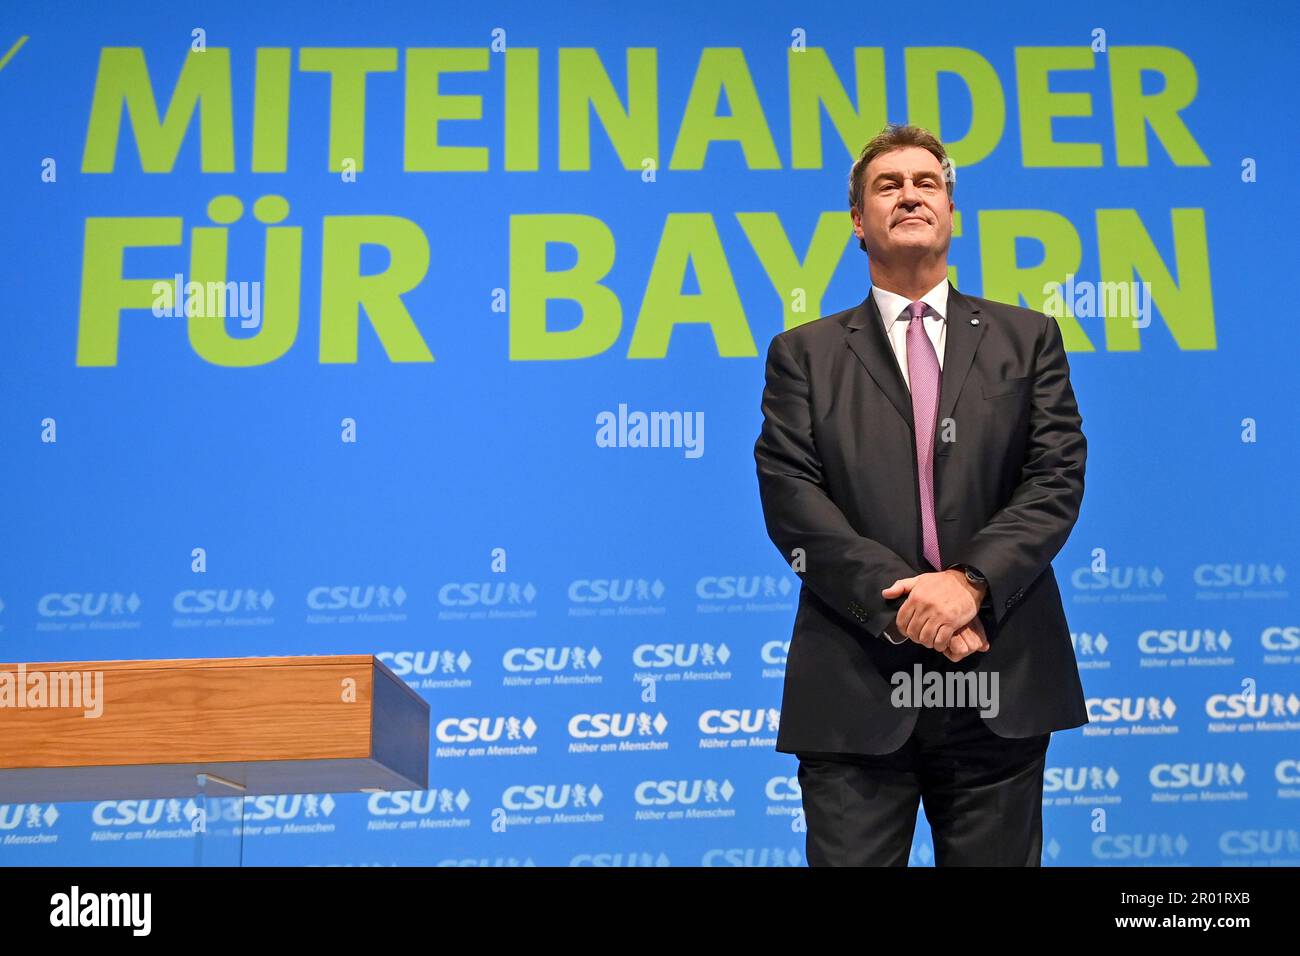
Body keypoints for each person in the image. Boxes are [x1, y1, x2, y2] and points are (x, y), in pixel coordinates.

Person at [753, 123, 1088, 866]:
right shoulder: (802, 354)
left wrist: (970, 585)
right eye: (888, 184)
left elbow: (1055, 476)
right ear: (856, 222)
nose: (910, 193)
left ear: (951, 212)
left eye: (927, 182)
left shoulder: (1028, 338)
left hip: (997, 674)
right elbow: (792, 497)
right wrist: (909, 608)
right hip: (856, 683)